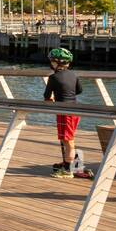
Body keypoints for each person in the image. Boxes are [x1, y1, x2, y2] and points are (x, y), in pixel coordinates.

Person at [43, 48, 83, 178]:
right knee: (70, 139)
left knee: (68, 141)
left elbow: (47, 96)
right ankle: (75, 165)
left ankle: (67, 170)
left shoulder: (53, 77)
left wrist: (52, 99)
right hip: (75, 110)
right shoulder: (74, 75)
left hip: (64, 112)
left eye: (51, 61)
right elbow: (79, 91)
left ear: (55, 63)